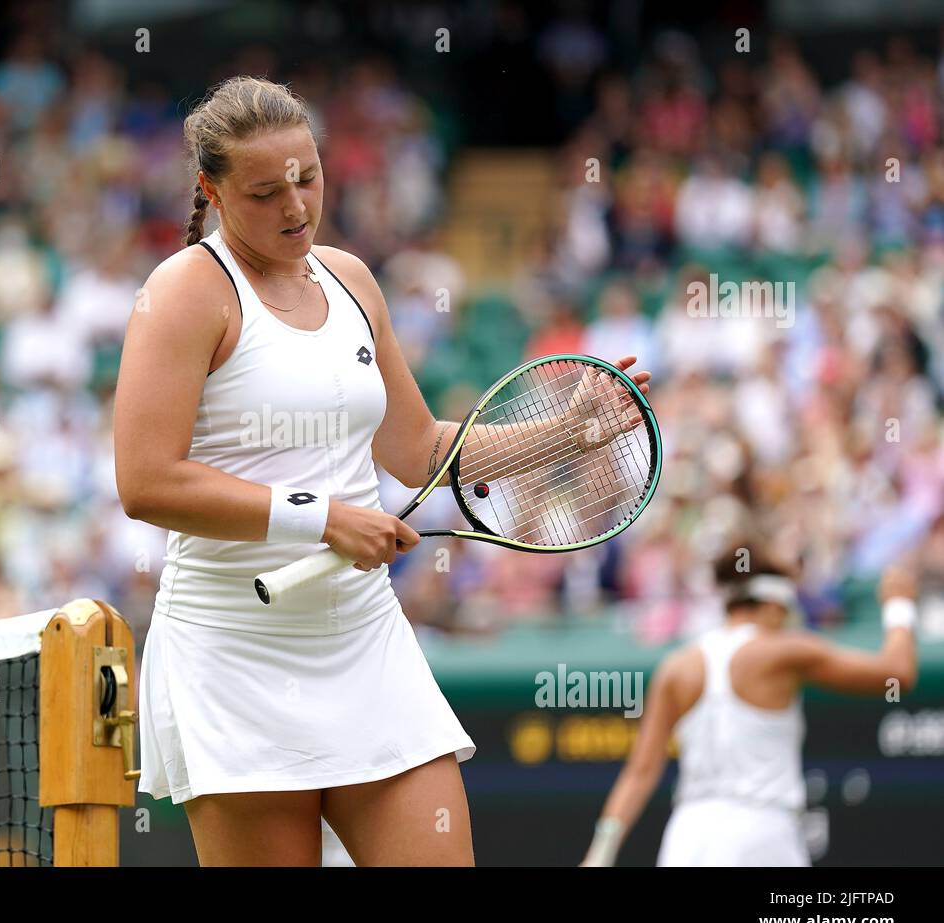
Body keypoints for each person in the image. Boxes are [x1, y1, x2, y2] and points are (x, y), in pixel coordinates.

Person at [115, 76, 652, 865]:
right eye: (265, 192)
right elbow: (146, 481)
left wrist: (567, 433)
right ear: (212, 191)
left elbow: (423, 451)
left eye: (308, 177)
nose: (296, 206)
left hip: (365, 640)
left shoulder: (350, 278)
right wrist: (321, 517)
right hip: (233, 655)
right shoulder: (185, 292)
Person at [581, 547, 919, 866]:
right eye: (788, 610)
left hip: (686, 841)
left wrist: (600, 854)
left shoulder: (675, 667)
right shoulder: (783, 650)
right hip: (761, 837)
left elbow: (640, 771)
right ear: (773, 605)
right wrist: (899, 605)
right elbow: (897, 673)